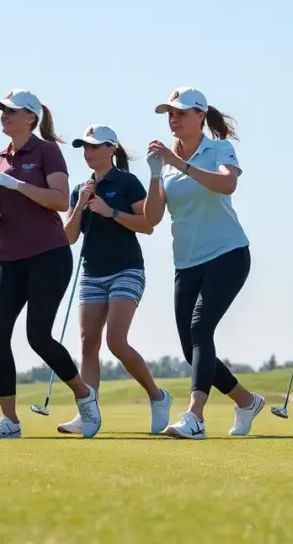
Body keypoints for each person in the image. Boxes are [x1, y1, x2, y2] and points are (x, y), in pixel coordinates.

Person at [0, 89, 101, 439]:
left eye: (11, 111)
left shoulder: (47, 151)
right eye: (1, 110)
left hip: (49, 255)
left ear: (31, 117)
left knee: (38, 336)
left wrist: (17, 185)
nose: (4, 115)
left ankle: (83, 394)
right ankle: (9, 421)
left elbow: (61, 200)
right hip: (8, 258)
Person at [143, 86, 265, 439]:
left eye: (180, 113)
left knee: (200, 329)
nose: (173, 119)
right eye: (170, 113)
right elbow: (151, 220)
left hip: (228, 254)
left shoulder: (219, 149)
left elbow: (227, 184)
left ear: (200, 115)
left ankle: (194, 415)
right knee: (190, 347)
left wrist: (178, 163)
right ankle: (245, 401)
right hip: (187, 263)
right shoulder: (164, 164)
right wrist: (154, 174)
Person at [56, 124, 174, 435]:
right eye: (85, 147)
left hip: (127, 269)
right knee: (88, 343)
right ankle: (87, 413)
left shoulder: (126, 182)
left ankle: (158, 396)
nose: (88, 152)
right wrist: (81, 204)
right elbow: (68, 237)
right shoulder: (80, 188)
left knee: (115, 341)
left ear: (111, 148)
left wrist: (112, 213)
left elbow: (148, 225)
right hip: (92, 273)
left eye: (95, 146)